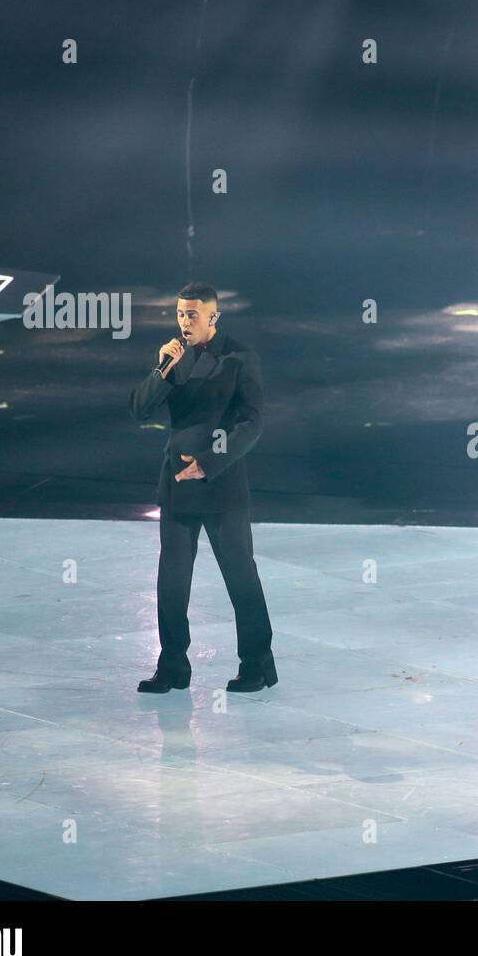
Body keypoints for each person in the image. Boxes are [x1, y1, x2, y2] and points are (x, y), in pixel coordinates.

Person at [129, 281, 278, 693]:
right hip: (177, 484)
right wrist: (161, 369)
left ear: (213, 317)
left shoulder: (239, 359)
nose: (183, 321)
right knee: (172, 581)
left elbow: (252, 423)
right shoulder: (174, 358)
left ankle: (258, 664)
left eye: (191, 314)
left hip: (221, 483)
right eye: (179, 313)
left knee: (240, 576)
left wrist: (209, 463)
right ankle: (173, 666)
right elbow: (140, 408)